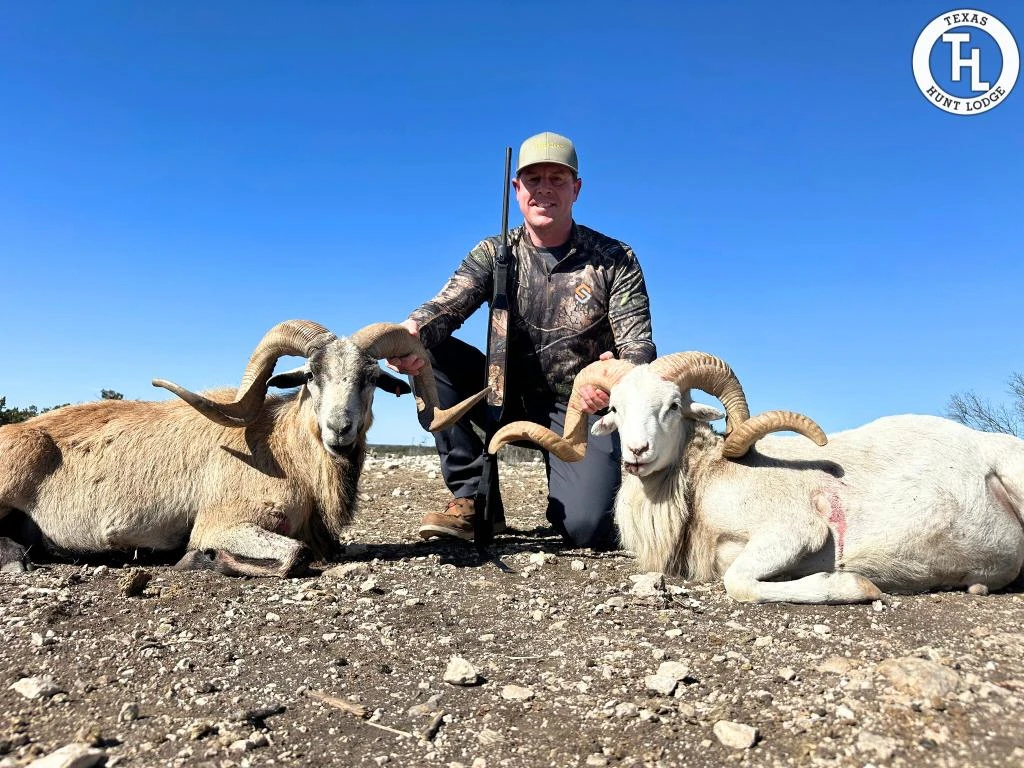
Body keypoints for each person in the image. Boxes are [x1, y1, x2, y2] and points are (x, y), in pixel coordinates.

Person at [387, 131, 656, 549]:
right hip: (500, 392)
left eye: (557, 179)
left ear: (577, 188)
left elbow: (638, 350)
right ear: (517, 189)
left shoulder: (615, 259)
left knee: (588, 529)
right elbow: (445, 307)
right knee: (427, 349)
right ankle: (473, 499)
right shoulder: (494, 252)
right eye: (533, 179)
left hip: (577, 408)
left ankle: (569, 496)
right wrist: (412, 330)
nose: (544, 188)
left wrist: (613, 382)